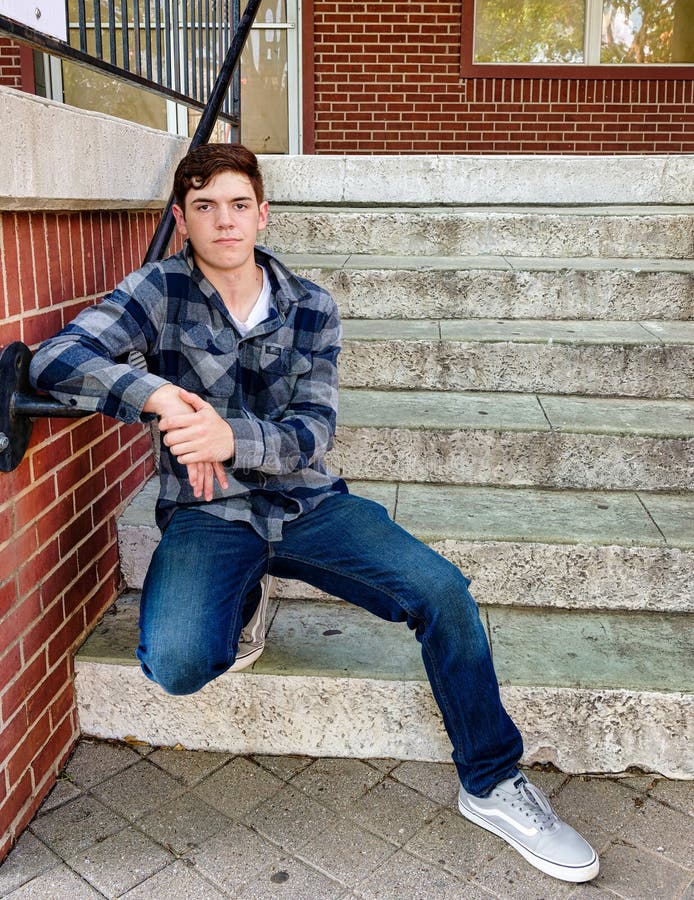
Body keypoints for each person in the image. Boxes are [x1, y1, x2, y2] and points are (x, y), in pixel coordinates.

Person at [30, 144, 599, 884]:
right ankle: (243, 600)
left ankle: (492, 782)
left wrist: (231, 435)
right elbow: (54, 358)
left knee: (443, 591)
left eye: (238, 205)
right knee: (176, 664)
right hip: (209, 512)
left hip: (308, 503)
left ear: (262, 214)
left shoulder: (313, 306)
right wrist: (157, 396)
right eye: (203, 207)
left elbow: (312, 434)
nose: (223, 221)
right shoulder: (156, 291)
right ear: (182, 219)